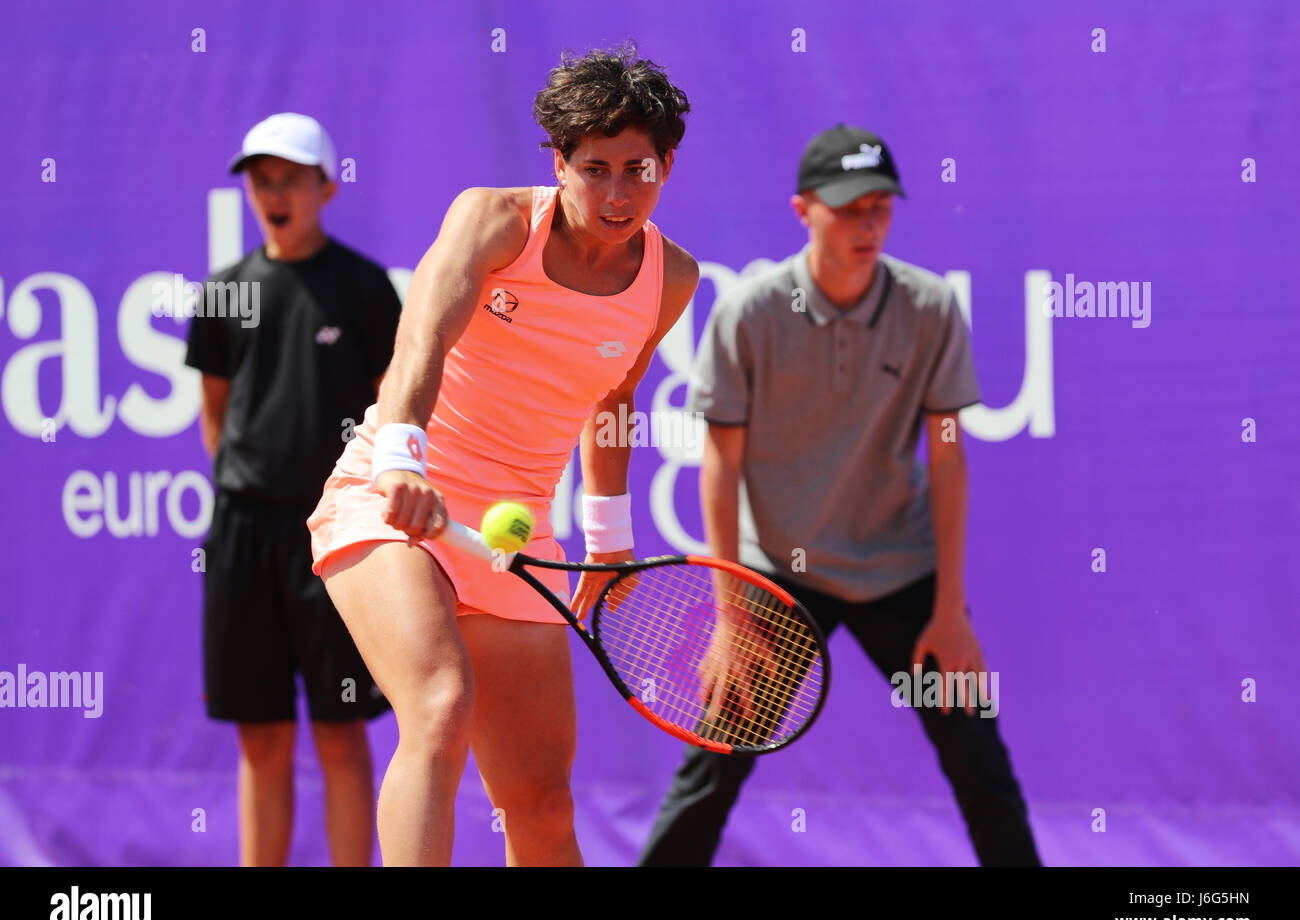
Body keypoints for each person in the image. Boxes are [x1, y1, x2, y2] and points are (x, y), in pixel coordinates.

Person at [306, 45, 700, 867]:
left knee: (541, 801)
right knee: (442, 707)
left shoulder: (670, 278)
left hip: (513, 544)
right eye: (596, 169)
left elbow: (613, 402)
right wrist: (402, 457)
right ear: (558, 163)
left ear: (667, 165)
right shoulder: (493, 219)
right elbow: (423, 337)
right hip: (392, 498)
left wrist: (609, 541)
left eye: (640, 169)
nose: (619, 194)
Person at [638, 124, 1041, 867]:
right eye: (851, 206)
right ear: (803, 210)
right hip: (778, 577)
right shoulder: (749, 312)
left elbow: (948, 460)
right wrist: (730, 615)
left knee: (979, 760)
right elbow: (719, 467)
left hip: (904, 572)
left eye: (882, 207)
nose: (869, 224)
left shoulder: (928, 307)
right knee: (713, 765)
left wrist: (950, 609)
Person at [184, 112, 401, 866]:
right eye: (261, 180)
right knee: (262, 735)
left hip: (336, 538)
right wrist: (247, 490)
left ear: (325, 187)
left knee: (341, 732)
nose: (274, 194)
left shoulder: (365, 288)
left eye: (290, 179)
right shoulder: (222, 293)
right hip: (244, 537)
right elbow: (216, 415)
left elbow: (392, 410)